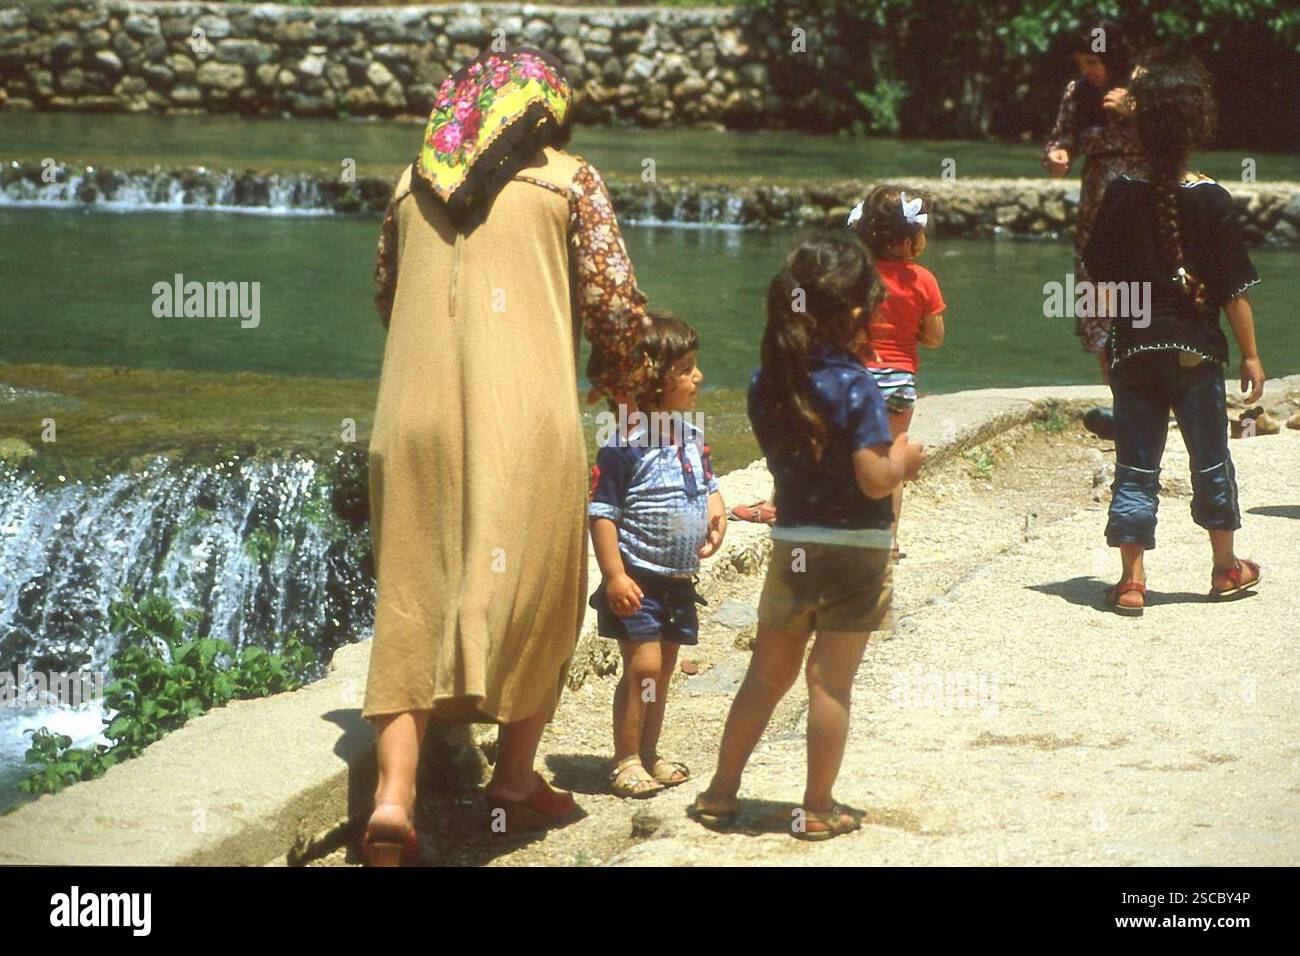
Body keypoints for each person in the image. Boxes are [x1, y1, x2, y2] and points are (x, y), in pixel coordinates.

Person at [360, 48, 653, 865]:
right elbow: (618, 310)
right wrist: (619, 383)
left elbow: (388, 298)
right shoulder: (569, 180)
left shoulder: (406, 185)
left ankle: (392, 799)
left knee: (411, 594)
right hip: (526, 420)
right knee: (544, 585)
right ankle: (515, 779)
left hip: (408, 418)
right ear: (543, 114)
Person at [691, 231, 924, 841]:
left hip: (793, 545)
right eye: (871, 309)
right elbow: (874, 481)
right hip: (856, 554)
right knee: (829, 682)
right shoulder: (857, 387)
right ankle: (818, 807)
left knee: (767, 675)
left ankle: (720, 793)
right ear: (852, 314)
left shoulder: (767, 382)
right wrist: (905, 457)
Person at [1082, 48, 1264, 616]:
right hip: (1195, 353)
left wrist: (1103, 345)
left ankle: (1133, 581)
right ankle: (1224, 567)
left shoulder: (1120, 193)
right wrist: (1252, 357)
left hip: (1135, 348)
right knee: (1210, 460)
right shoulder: (1211, 198)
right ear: (1196, 126)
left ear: (1140, 125)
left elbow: (1100, 281)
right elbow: (1233, 291)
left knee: (1136, 464)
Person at [588, 312, 727, 798]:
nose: (698, 376)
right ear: (652, 381)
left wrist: (718, 513)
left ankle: (649, 752)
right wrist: (614, 576)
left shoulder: (691, 439)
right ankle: (625, 758)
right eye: (686, 368)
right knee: (643, 667)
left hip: (679, 580)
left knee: (663, 670)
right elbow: (601, 514)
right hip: (638, 580)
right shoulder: (623, 446)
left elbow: (708, 486)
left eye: (695, 365)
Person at [1043, 20, 1148, 438]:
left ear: (1113, 59)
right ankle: (1121, 401)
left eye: (1094, 63)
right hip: (1097, 203)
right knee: (1100, 299)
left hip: (1142, 198)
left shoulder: (1143, 86)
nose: (1088, 71)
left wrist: (1133, 110)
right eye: (1083, 63)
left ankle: (1152, 396)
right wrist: (1057, 155)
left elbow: (1176, 136)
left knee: (1144, 293)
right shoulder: (1078, 92)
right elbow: (1058, 138)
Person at [846, 184, 945, 559]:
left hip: (857, 378)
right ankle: (887, 540)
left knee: (852, 453)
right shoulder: (923, 280)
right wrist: (913, 328)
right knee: (892, 457)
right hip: (899, 381)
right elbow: (935, 338)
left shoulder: (856, 276)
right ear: (909, 240)